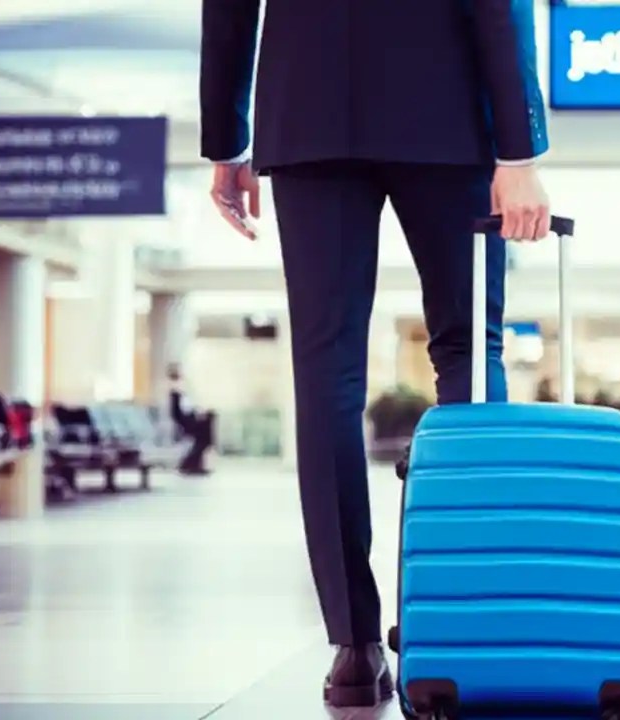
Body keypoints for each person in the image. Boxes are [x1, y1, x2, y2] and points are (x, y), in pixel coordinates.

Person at [199, 0, 553, 708]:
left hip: (307, 113)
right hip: (448, 108)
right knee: (467, 349)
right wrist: (519, 151)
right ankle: (470, 616)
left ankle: (354, 646)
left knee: (327, 371)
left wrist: (225, 140)